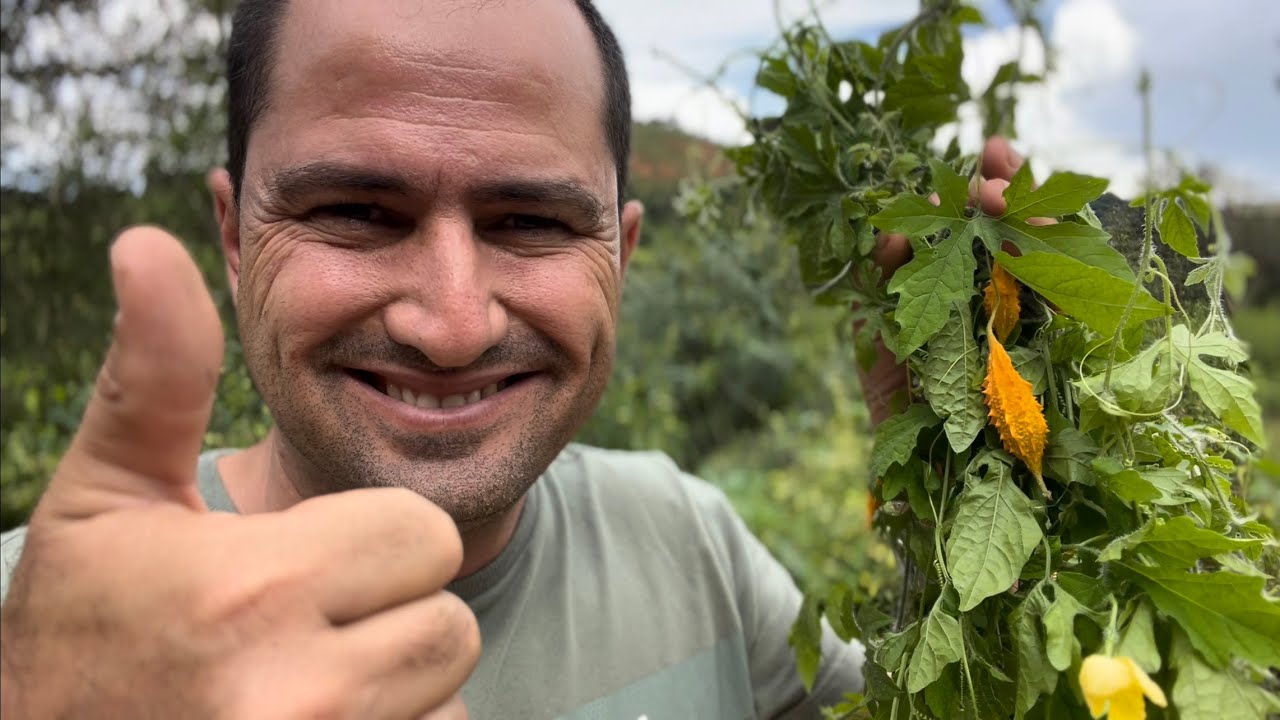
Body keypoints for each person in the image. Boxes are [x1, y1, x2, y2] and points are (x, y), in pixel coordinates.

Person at [0, 1, 1029, 717]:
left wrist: (955, 461)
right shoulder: (35, 630)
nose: (451, 326)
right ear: (234, 239)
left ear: (618, 258)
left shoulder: (691, 546)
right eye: (355, 210)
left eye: (530, 223)